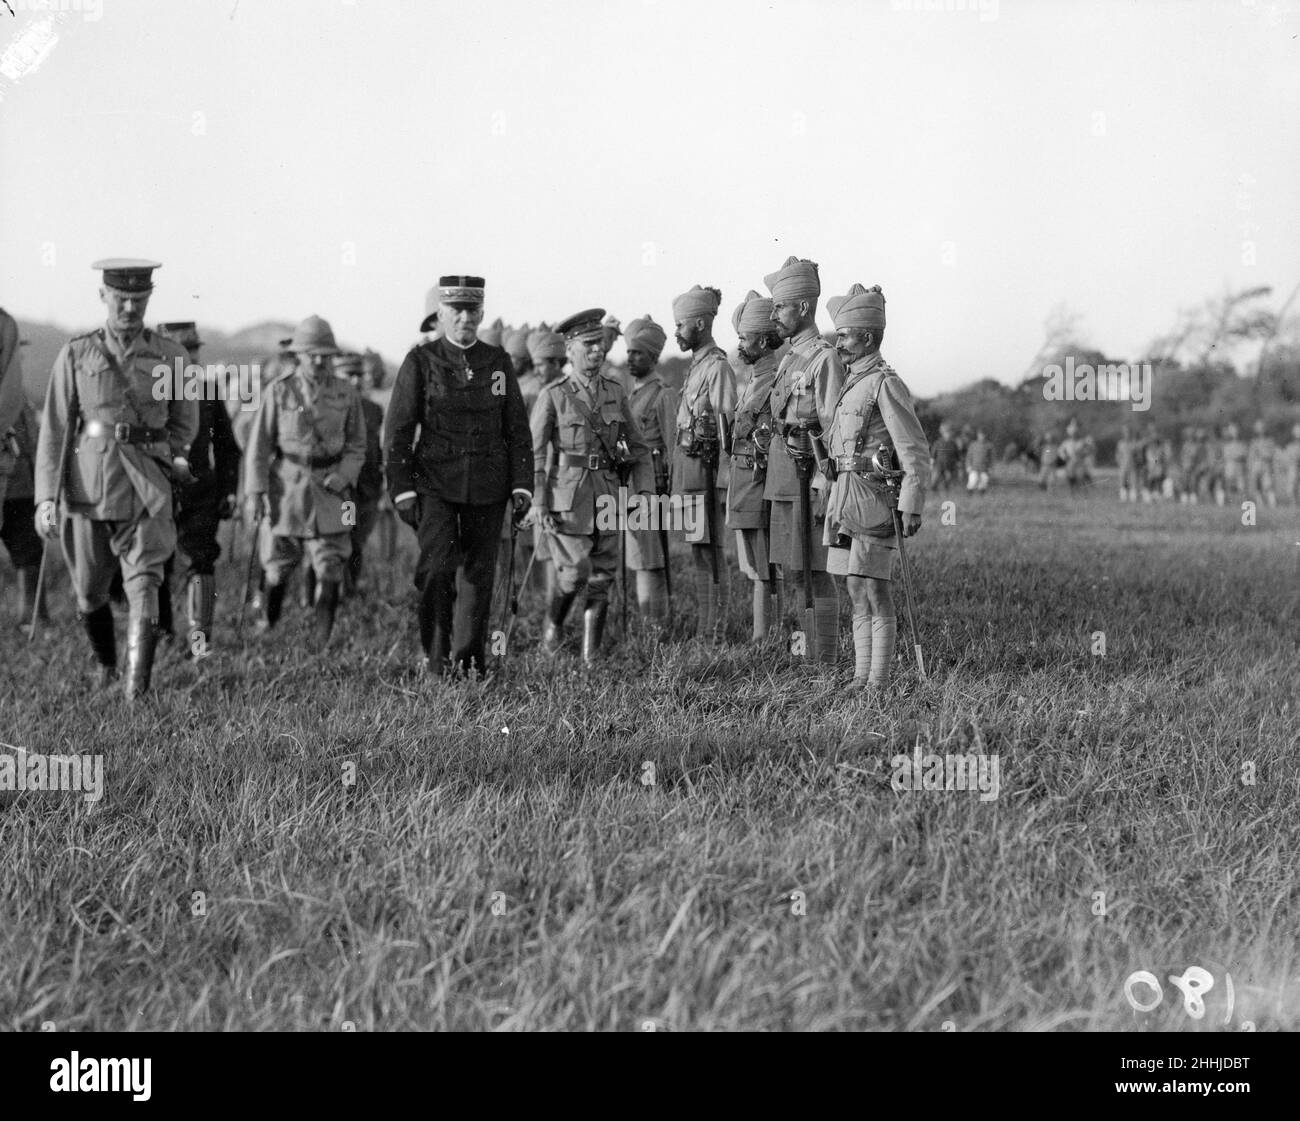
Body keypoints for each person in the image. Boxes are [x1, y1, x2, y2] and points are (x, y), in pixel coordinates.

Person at [34, 259, 198, 697]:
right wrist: (45, 499)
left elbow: (185, 423)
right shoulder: (76, 353)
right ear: (103, 296)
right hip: (89, 487)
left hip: (147, 484)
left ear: (148, 299)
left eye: (139, 299)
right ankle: (107, 664)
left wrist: (176, 457)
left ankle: (134, 693)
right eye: (121, 298)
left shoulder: (172, 356)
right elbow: (53, 431)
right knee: (89, 591)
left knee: (145, 581)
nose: (130, 307)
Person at [385, 276, 532, 677]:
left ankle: (469, 663)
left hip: (488, 486)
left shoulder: (497, 362)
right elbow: (398, 432)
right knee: (435, 570)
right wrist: (401, 491)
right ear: (442, 314)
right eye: (456, 310)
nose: (465, 317)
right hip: (435, 485)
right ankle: (436, 659)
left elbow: (516, 429)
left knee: (479, 577)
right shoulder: (421, 361)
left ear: (481, 313)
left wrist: (522, 485)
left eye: (472, 310)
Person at [822, 284, 930, 691]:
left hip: (874, 498)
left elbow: (913, 447)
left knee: (874, 588)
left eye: (845, 336)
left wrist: (912, 504)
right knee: (852, 586)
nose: (839, 343)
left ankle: (877, 681)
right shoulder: (852, 382)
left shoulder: (885, 383)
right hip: (844, 499)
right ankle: (858, 676)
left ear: (867, 337)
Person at [530, 308, 654, 663]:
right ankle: (553, 629)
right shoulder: (553, 395)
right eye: (588, 344)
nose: (597, 351)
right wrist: (539, 503)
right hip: (567, 499)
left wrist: (643, 493)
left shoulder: (615, 392)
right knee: (575, 573)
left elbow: (640, 447)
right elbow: (536, 455)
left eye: (600, 343)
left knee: (602, 574)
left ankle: (591, 657)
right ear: (569, 350)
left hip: (608, 494)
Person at [244, 315, 365, 645]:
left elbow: (357, 444)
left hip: (331, 489)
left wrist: (345, 475)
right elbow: (259, 448)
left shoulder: (346, 393)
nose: (319, 360)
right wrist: (255, 493)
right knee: (278, 564)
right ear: (298, 354)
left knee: (331, 563)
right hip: (287, 489)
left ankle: (322, 640)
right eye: (312, 353)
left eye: (325, 354)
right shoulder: (279, 392)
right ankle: (268, 626)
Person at [764, 256, 845, 664]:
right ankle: (801, 657)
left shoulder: (824, 359)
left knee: (815, 572)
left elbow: (834, 431)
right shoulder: (789, 359)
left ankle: (823, 660)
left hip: (809, 478)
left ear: (803, 308)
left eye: (779, 307)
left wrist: (822, 488)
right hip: (782, 476)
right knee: (792, 573)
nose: (773, 314)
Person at [152, 322, 240, 656]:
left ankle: (200, 644)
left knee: (201, 562)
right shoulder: (149, 393)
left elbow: (229, 448)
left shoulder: (207, 392)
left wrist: (230, 491)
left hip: (201, 491)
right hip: (157, 490)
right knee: (156, 563)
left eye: (195, 350)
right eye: (183, 351)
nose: (191, 357)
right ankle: (161, 637)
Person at [671, 285, 736, 643]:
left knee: (713, 551)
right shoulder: (696, 367)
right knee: (699, 549)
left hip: (710, 471)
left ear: (700, 322)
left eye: (681, 324)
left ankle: (716, 629)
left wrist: (725, 483)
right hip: (691, 469)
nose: (677, 332)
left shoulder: (718, 367)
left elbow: (729, 428)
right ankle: (704, 627)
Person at [727, 291, 780, 642]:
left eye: (745, 338)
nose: (740, 345)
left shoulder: (774, 378)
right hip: (744, 479)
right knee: (755, 565)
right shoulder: (756, 378)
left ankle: (767, 640)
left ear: (763, 340)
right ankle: (765, 637)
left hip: (761, 480)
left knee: (764, 567)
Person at [623, 314, 678, 630]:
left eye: (638, 353)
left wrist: (671, 489)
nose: (631, 359)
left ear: (653, 357)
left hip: (654, 484)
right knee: (642, 554)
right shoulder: (632, 393)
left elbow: (672, 445)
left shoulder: (663, 393)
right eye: (629, 352)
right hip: (633, 485)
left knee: (650, 557)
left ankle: (656, 626)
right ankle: (654, 624)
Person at [332, 351, 385, 597]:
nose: (355, 381)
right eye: (348, 375)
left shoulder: (374, 409)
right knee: (344, 540)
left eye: (358, 375)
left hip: (369, 488)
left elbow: (377, 448)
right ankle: (337, 594)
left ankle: (350, 589)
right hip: (343, 490)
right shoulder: (329, 408)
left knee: (358, 541)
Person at [1246, 419, 1277, 507]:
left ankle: (1272, 505)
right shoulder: (1253, 442)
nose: (1260, 430)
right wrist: (1249, 466)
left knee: (1268, 486)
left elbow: (1271, 454)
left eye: (1262, 428)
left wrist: (1262, 453)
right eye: (1258, 428)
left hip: (1266, 465)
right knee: (1256, 487)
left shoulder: (1270, 441)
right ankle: (1261, 504)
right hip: (1256, 465)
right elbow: (1251, 455)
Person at [931, 422, 960, 491]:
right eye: (946, 433)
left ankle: (946, 490)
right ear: (942, 433)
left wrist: (958, 462)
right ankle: (934, 490)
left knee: (948, 478)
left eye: (949, 432)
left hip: (949, 465)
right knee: (935, 478)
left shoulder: (953, 444)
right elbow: (933, 454)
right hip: (939, 465)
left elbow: (957, 455)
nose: (948, 434)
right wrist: (931, 463)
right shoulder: (938, 443)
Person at [1221, 423, 1248, 498]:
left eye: (1235, 431)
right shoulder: (1226, 445)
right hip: (1230, 466)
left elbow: (1244, 454)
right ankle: (1230, 501)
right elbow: (1226, 456)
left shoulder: (1242, 444)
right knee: (1229, 484)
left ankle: (1241, 501)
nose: (1235, 433)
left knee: (1241, 486)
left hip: (1239, 466)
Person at [1115, 424, 1139, 501]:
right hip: (1123, 466)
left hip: (1132, 466)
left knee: (1133, 482)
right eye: (1124, 432)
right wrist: (1120, 463)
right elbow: (1117, 455)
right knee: (1122, 482)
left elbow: (1137, 455)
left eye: (1127, 432)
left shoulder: (1133, 443)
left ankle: (1133, 498)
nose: (1126, 433)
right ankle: (1123, 497)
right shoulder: (1120, 444)